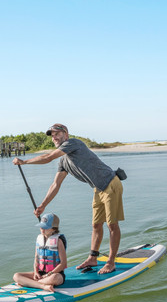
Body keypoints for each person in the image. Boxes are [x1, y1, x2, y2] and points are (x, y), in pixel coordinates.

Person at [13, 123, 124, 274]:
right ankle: (92, 258)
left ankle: (111, 262)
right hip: (98, 189)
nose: (55, 137)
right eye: (52, 136)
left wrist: (24, 162)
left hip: (111, 183)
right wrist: (43, 205)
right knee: (96, 225)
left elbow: (48, 157)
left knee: (112, 225)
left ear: (66, 134)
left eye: (57, 134)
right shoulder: (63, 162)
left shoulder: (73, 143)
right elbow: (55, 184)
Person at [13, 213, 68, 292]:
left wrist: (49, 274)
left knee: (55, 278)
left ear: (54, 228)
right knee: (16, 276)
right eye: (41, 226)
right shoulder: (39, 239)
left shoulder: (58, 241)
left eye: (45, 227)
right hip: (41, 275)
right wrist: (36, 272)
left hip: (54, 274)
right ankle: (42, 286)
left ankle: (30, 283)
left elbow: (63, 263)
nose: (42, 229)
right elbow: (36, 258)